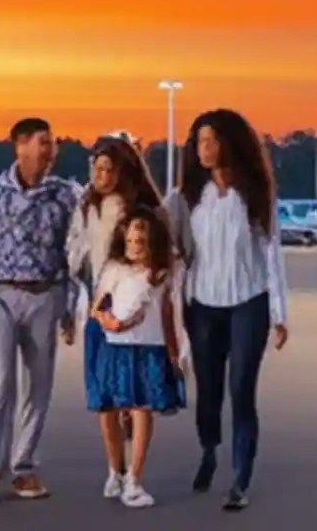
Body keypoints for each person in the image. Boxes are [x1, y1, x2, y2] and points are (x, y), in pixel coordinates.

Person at [164, 108, 289, 511]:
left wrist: (279, 313)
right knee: (209, 392)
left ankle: (240, 477)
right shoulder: (187, 200)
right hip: (203, 306)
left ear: (228, 144)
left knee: (241, 390)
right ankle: (208, 450)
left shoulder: (254, 194)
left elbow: (272, 255)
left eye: (210, 140)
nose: (203, 149)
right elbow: (172, 250)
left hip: (248, 303)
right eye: (198, 141)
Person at [0, 117, 80, 506]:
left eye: (53, 143)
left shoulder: (65, 195)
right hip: (0, 296)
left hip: (46, 295)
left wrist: (70, 307)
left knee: (39, 386)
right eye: (44, 143)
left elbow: (74, 255)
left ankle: (24, 466)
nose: (51, 151)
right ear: (21, 146)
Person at [65, 135, 166, 498]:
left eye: (109, 169)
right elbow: (75, 253)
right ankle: (114, 469)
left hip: (134, 314)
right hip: (95, 310)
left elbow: (161, 258)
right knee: (103, 397)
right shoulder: (86, 204)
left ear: (123, 170)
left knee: (138, 398)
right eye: (97, 168)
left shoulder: (139, 209)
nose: (102, 175)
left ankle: (135, 477)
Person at [89, 206, 186, 508]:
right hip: (115, 346)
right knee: (113, 408)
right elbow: (97, 307)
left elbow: (169, 314)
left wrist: (175, 353)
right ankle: (114, 471)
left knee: (143, 408)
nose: (135, 243)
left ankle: (134, 478)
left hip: (150, 347)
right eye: (130, 237)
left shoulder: (163, 273)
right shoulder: (114, 269)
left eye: (141, 237)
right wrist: (109, 322)